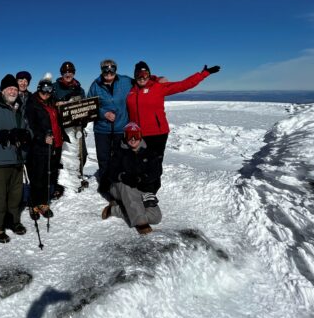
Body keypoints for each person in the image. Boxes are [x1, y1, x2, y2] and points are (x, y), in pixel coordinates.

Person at [126, 61, 220, 192]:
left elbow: (183, 85)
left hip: (157, 133)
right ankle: (139, 187)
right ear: (135, 76)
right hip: (137, 134)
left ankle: (151, 191)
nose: (142, 78)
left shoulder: (159, 87)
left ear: (149, 74)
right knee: (138, 161)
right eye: (139, 75)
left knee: (154, 163)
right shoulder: (130, 90)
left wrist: (204, 74)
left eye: (145, 74)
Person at [0, 74, 32, 243]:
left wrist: (26, 135)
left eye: (15, 89)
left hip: (17, 158)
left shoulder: (20, 106)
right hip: (0, 159)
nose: (13, 91)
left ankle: (13, 221)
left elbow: (29, 127)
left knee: (16, 195)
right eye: (9, 88)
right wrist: (4, 135)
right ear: (2, 90)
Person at [102, 122, 163, 235]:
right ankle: (141, 224)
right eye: (130, 136)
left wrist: (144, 180)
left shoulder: (149, 152)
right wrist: (123, 176)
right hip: (120, 188)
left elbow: (156, 172)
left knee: (156, 218)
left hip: (142, 188)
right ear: (125, 136)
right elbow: (111, 172)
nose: (133, 139)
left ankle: (115, 210)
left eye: (136, 135)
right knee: (126, 187)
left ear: (140, 136)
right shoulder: (119, 151)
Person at [87, 59, 132, 200]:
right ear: (101, 70)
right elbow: (89, 105)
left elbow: (142, 80)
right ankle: (105, 185)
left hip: (120, 127)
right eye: (105, 70)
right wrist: (103, 113)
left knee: (120, 157)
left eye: (112, 69)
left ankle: (119, 184)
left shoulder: (125, 81)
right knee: (104, 158)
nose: (109, 72)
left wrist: (157, 79)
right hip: (102, 129)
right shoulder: (96, 85)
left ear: (115, 70)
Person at [25, 74, 65, 221]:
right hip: (39, 146)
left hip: (55, 144)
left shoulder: (52, 102)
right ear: (39, 89)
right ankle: (34, 204)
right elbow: (31, 125)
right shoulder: (32, 103)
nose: (46, 93)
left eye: (49, 91)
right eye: (43, 90)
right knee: (38, 176)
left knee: (48, 174)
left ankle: (43, 203)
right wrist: (42, 137)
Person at [53, 60, 88, 191]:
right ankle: (62, 181)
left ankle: (77, 176)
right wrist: (58, 105)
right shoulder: (55, 87)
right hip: (61, 127)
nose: (68, 74)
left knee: (81, 153)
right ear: (62, 73)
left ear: (74, 73)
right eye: (65, 72)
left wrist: (84, 119)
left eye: (70, 72)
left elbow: (85, 108)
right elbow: (48, 103)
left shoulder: (79, 89)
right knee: (63, 155)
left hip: (76, 127)